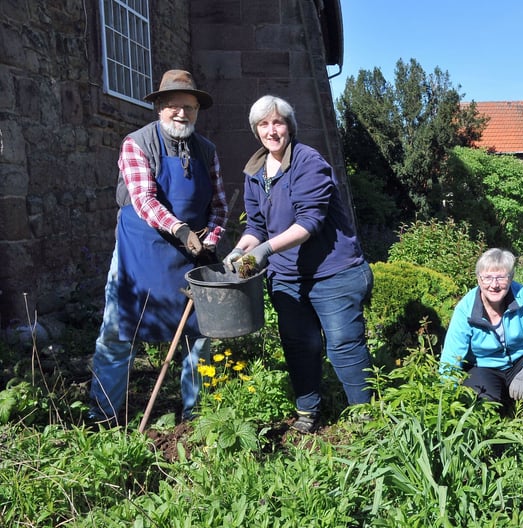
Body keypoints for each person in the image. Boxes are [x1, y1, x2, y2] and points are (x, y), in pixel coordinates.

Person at [222, 95, 372, 434]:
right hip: (288, 277)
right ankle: (308, 412)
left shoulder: (308, 161)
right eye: (264, 124)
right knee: (299, 344)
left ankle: (366, 420)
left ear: (290, 126)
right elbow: (256, 226)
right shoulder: (255, 171)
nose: (271, 130)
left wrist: (264, 251)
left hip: (333, 272)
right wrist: (241, 249)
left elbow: (310, 222)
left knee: (343, 343)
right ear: (255, 130)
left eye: (278, 122)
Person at [89, 69, 229, 427]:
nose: (182, 114)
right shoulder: (136, 143)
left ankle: (198, 415)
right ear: (160, 108)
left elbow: (220, 206)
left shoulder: (207, 150)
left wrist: (210, 240)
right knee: (119, 334)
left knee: (199, 334)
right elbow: (144, 200)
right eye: (174, 106)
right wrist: (182, 231)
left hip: (191, 254)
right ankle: (104, 415)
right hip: (141, 250)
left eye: (190, 107)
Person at [439, 248, 523, 437]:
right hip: (484, 367)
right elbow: (451, 357)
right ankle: (491, 440)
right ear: (478, 279)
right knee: (479, 399)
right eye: (487, 278)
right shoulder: (465, 309)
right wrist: (445, 402)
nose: (494, 285)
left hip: (519, 363)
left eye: (501, 277)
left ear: (511, 278)